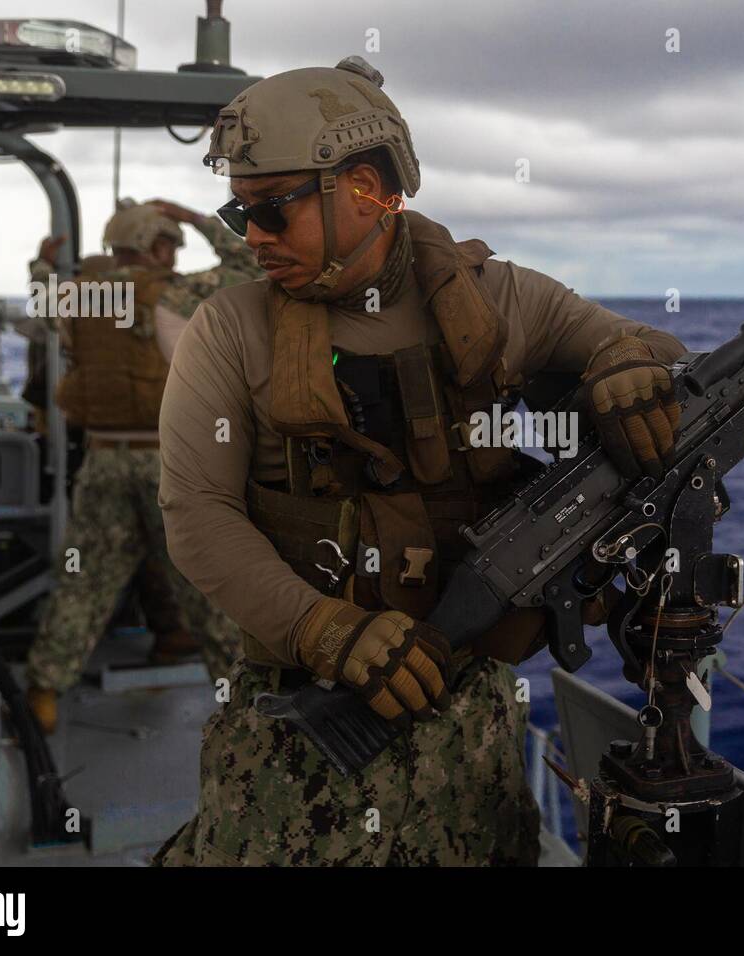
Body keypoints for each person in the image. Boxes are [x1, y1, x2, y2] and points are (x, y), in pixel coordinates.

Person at [153, 57, 685, 866]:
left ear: (364, 188)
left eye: (272, 210)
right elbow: (196, 514)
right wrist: (323, 629)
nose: (253, 236)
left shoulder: (502, 300)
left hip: (466, 726)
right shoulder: (229, 331)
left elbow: (650, 355)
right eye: (240, 212)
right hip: (296, 735)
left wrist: (628, 366)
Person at [24, 199, 261, 734]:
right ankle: (244, 705)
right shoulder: (178, 293)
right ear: (155, 245)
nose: (173, 256)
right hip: (172, 463)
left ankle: (42, 692)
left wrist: (41, 262)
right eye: (170, 244)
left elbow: (41, 295)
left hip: (104, 460)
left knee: (83, 581)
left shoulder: (78, 296)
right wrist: (197, 216)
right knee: (208, 588)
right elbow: (252, 266)